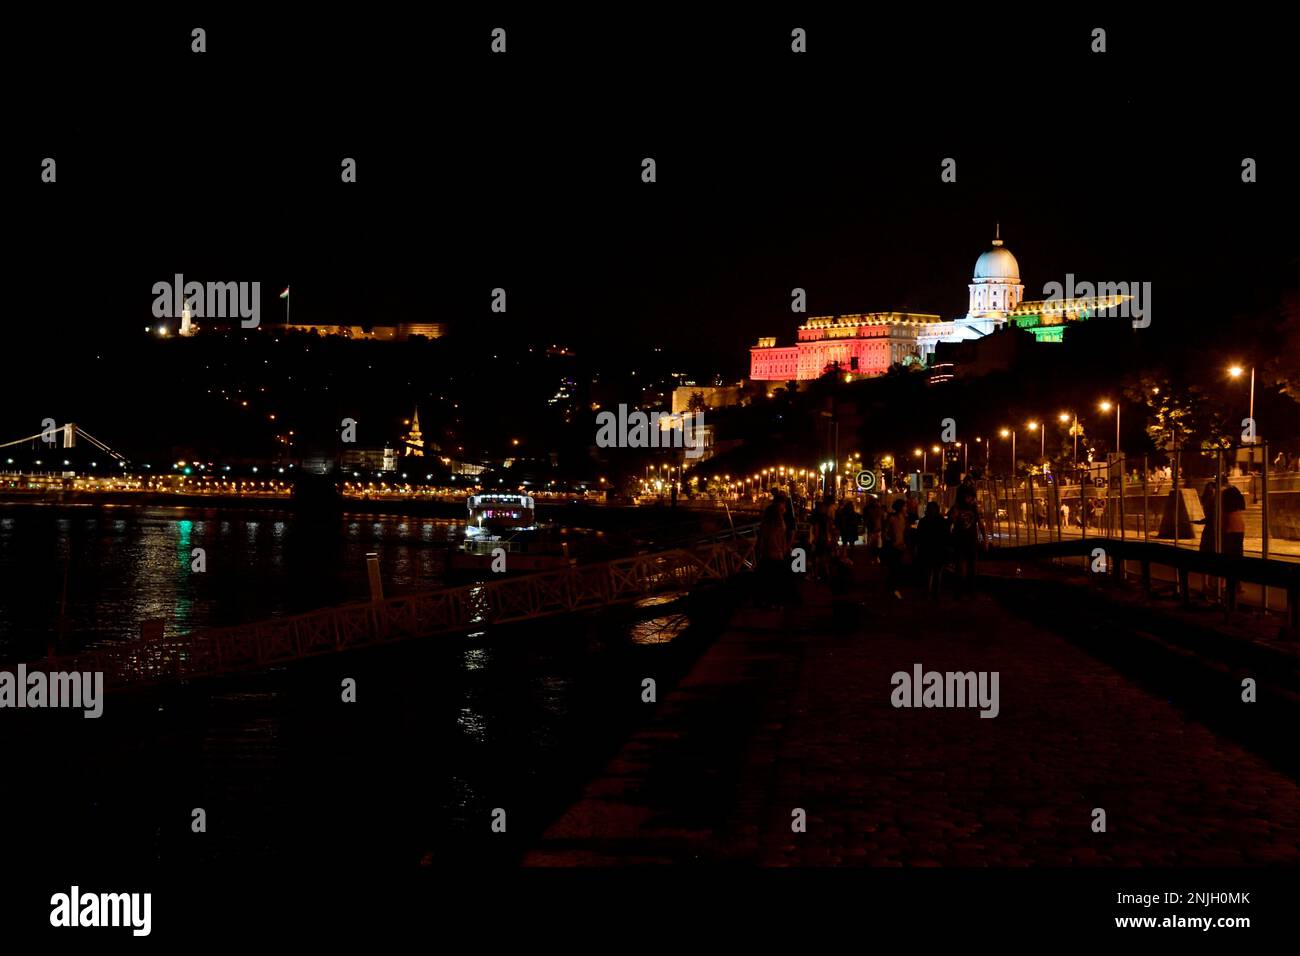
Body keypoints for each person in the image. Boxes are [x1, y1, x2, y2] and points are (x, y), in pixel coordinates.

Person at [946, 484, 985, 596]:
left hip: (972, 542)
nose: (970, 499)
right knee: (960, 567)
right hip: (960, 542)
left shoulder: (974, 508)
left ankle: (971, 590)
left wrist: (985, 539)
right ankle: (960, 590)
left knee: (972, 568)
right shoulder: (956, 508)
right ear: (962, 496)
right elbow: (949, 524)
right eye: (968, 497)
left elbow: (981, 525)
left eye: (971, 497)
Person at [756, 502, 789, 607]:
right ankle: (778, 602)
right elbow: (783, 541)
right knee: (778, 581)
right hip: (779, 555)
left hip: (768, 555)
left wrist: (759, 552)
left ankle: (768, 602)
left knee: (767, 581)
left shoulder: (765, 526)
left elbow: (761, 542)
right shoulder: (782, 525)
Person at [915, 500, 950, 600]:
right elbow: (947, 536)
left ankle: (927, 592)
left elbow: (919, 536)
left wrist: (918, 548)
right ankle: (936, 593)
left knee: (928, 572)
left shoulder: (924, 521)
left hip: (927, 550)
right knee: (937, 573)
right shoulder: (942, 521)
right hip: (939, 551)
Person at [882, 499, 909, 600]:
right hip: (894, 547)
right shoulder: (892, 518)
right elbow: (885, 532)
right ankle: (893, 589)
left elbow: (905, 531)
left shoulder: (904, 518)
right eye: (904, 506)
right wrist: (890, 541)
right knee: (894, 569)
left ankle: (891, 588)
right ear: (900, 508)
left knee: (897, 569)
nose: (906, 508)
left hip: (901, 546)